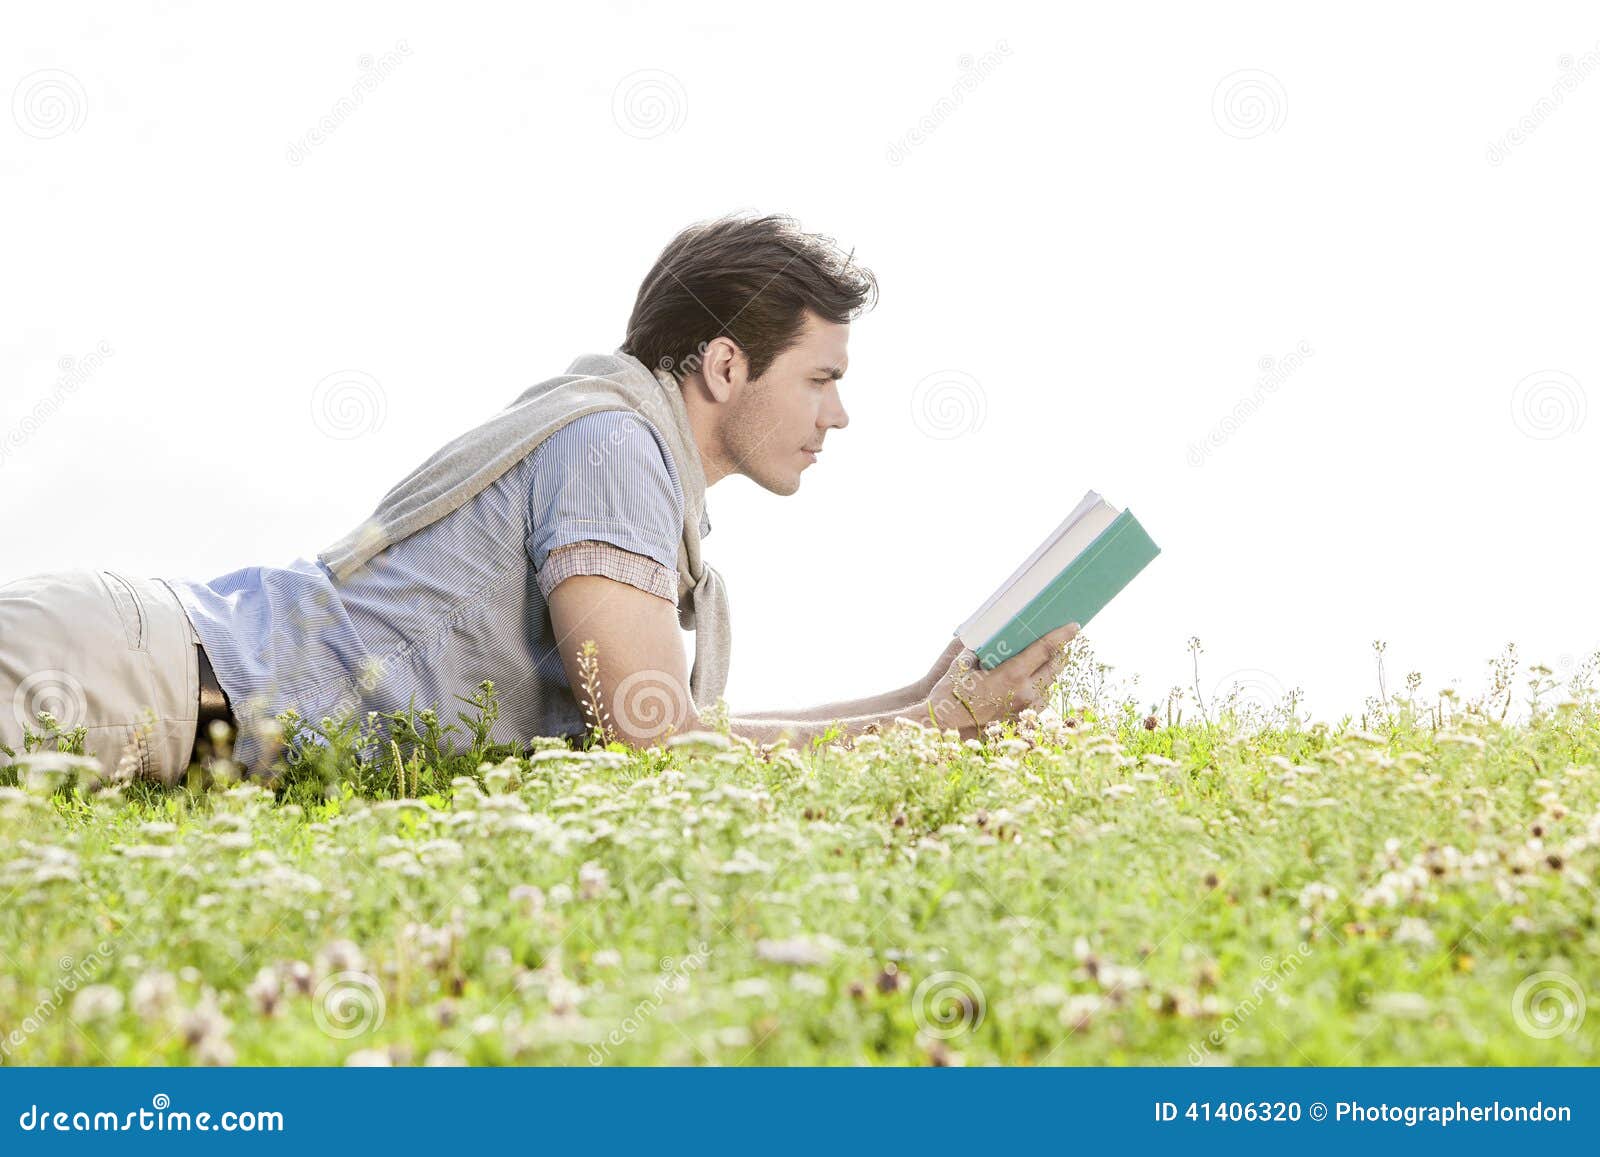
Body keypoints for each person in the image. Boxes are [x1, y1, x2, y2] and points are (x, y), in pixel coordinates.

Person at [0, 212, 1075, 785]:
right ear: (724, 366)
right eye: (823, 378)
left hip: (162, 687)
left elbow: (675, 727)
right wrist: (925, 731)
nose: (838, 415)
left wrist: (924, 706)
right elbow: (654, 748)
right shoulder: (612, 450)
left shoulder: (624, 453)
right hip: (128, 673)